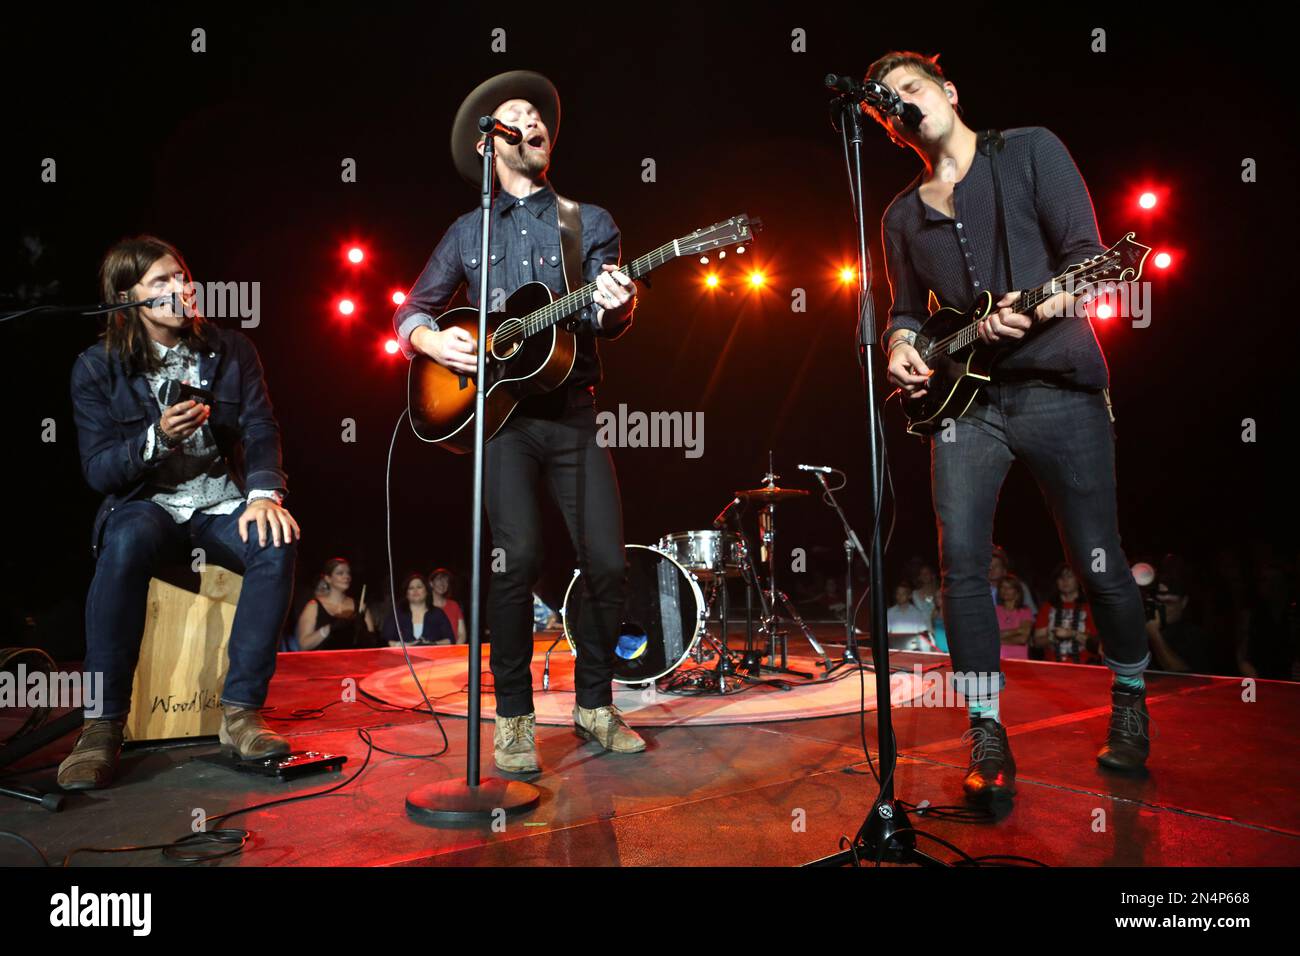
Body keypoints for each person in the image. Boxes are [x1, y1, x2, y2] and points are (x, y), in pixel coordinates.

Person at [873, 50, 1153, 804]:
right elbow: (904, 309)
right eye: (887, 104)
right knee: (961, 565)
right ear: (889, 129)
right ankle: (986, 731)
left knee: (1097, 562)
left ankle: (1129, 699)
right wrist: (901, 346)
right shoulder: (901, 214)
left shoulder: (1031, 149)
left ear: (948, 90)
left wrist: (1036, 307)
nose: (902, 103)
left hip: (1060, 390)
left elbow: (1091, 260)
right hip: (969, 408)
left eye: (912, 88)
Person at [393, 71, 644, 773]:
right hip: (499, 419)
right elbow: (412, 307)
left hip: (571, 414)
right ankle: (512, 719)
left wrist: (618, 304)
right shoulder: (466, 230)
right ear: (490, 144)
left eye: (537, 116)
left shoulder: (587, 221)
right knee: (516, 560)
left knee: (606, 562)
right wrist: (432, 341)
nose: (530, 122)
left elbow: (601, 317)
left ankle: (595, 703)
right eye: (514, 117)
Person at [61, 235, 299, 790]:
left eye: (182, 277)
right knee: (125, 540)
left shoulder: (231, 350)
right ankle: (102, 726)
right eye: (161, 282)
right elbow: (99, 470)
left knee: (276, 539)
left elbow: (262, 428)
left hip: (217, 501)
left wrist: (265, 493)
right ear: (127, 298)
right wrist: (155, 440)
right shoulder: (96, 367)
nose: (180, 289)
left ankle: (240, 714)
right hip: (149, 504)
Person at [296, 557, 376, 650]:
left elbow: (372, 645)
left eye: (348, 573)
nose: (347, 577)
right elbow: (304, 645)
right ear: (328, 578)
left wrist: (363, 634)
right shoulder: (314, 606)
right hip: (324, 663)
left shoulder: (360, 607)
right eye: (340, 573)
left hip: (354, 662)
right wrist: (328, 629)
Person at [1032, 564, 1101, 664]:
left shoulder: (1090, 606)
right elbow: (1037, 642)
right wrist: (1054, 637)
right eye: (1061, 577)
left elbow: (1097, 644)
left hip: (1085, 666)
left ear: (1078, 580)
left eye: (1069, 576)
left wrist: (1072, 634)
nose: (1065, 581)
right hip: (1053, 665)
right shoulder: (1048, 606)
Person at [384, 572, 453, 646]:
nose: (415, 590)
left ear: (426, 591)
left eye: (419, 587)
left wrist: (433, 644)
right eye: (411, 588)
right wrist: (405, 645)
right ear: (406, 594)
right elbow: (386, 640)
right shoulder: (397, 614)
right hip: (402, 657)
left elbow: (450, 640)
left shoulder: (438, 613)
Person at [996, 575, 1035, 659]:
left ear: (1017, 591)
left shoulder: (1025, 611)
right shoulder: (994, 611)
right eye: (1002, 587)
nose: (1005, 590)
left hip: (1019, 660)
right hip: (998, 659)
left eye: (1010, 587)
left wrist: (999, 640)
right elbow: (991, 636)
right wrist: (1017, 630)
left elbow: (1023, 639)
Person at [428, 568, 466, 644]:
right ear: (431, 583)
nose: (443, 583)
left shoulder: (454, 605)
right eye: (439, 579)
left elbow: (462, 634)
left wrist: (455, 651)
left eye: (446, 581)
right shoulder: (424, 606)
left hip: (452, 652)